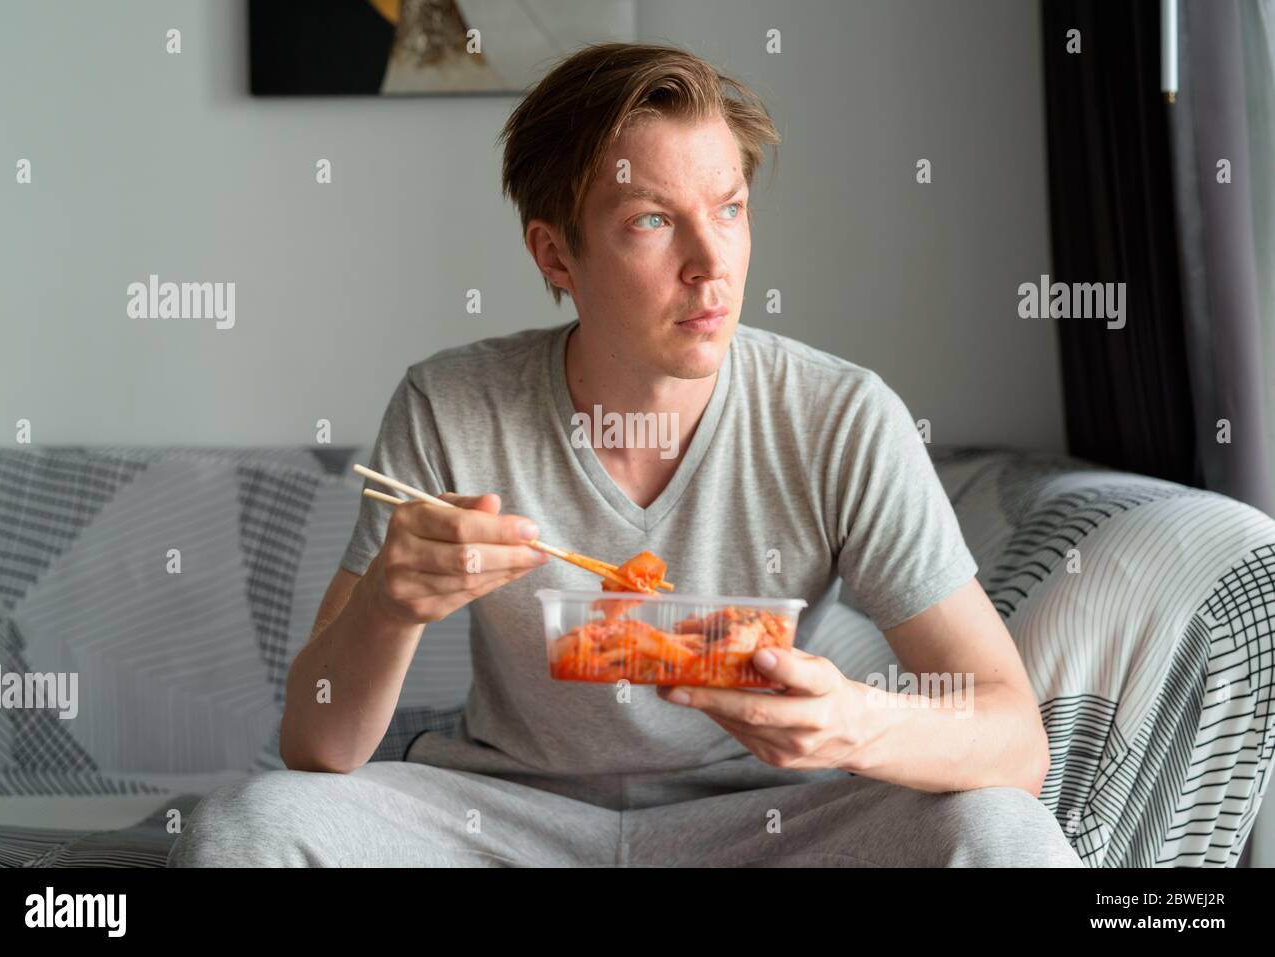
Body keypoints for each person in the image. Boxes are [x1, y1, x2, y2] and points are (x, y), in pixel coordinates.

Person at [170, 41, 1083, 868]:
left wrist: (851, 724)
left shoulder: (841, 416)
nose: (711, 262)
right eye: (652, 221)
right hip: (504, 821)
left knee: (1001, 831)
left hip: (765, 827)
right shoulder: (450, 404)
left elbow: (1015, 740)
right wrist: (386, 604)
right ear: (555, 254)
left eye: (728, 208)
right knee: (247, 824)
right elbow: (317, 750)